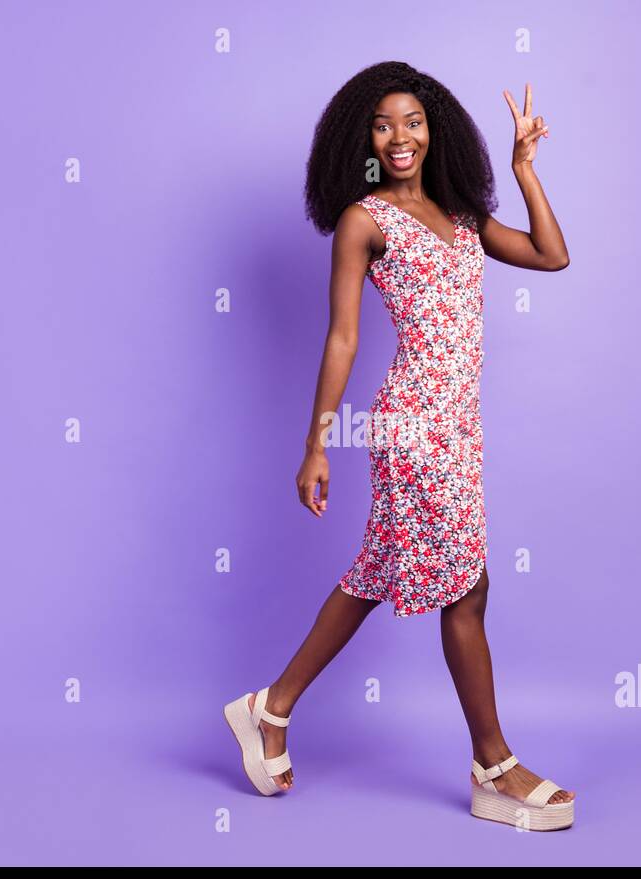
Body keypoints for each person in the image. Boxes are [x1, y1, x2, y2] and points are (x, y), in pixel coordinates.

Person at [224, 61, 575, 829]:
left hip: (459, 428)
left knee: (379, 570)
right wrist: (317, 445)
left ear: (434, 127)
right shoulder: (365, 220)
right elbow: (343, 338)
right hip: (412, 425)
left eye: (412, 121)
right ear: (366, 138)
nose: (400, 135)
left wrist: (522, 171)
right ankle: (494, 765)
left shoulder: (462, 218)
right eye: (384, 124)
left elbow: (553, 255)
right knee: (466, 587)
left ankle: (269, 708)